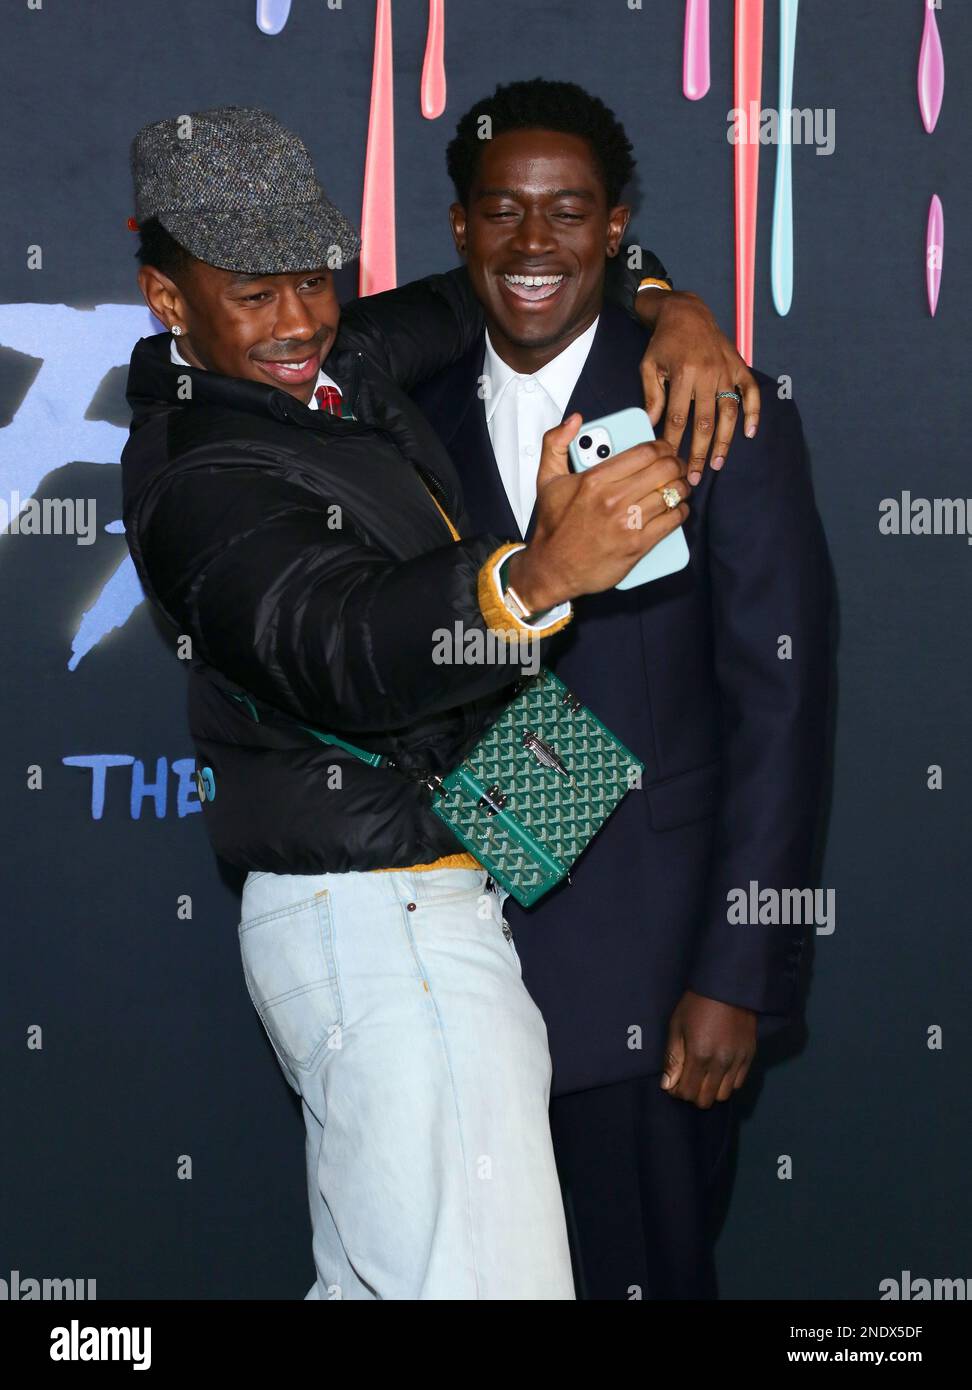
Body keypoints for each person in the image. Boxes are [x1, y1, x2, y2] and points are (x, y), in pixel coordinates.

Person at [120, 104, 748, 1300]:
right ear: (167, 298)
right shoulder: (198, 476)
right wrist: (539, 576)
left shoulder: (330, 362)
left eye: (315, 280)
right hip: (383, 931)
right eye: (254, 295)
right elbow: (341, 642)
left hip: (419, 910)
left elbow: (477, 296)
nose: (301, 319)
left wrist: (672, 302)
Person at [408, 79, 833, 1299]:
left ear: (615, 227)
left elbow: (782, 703)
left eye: (568, 213)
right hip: (452, 984)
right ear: (458, 229)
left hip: (649, 989)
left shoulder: (703, 402)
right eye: (502, 211)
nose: (533, 242)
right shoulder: (406, 410)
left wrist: (737, 969)